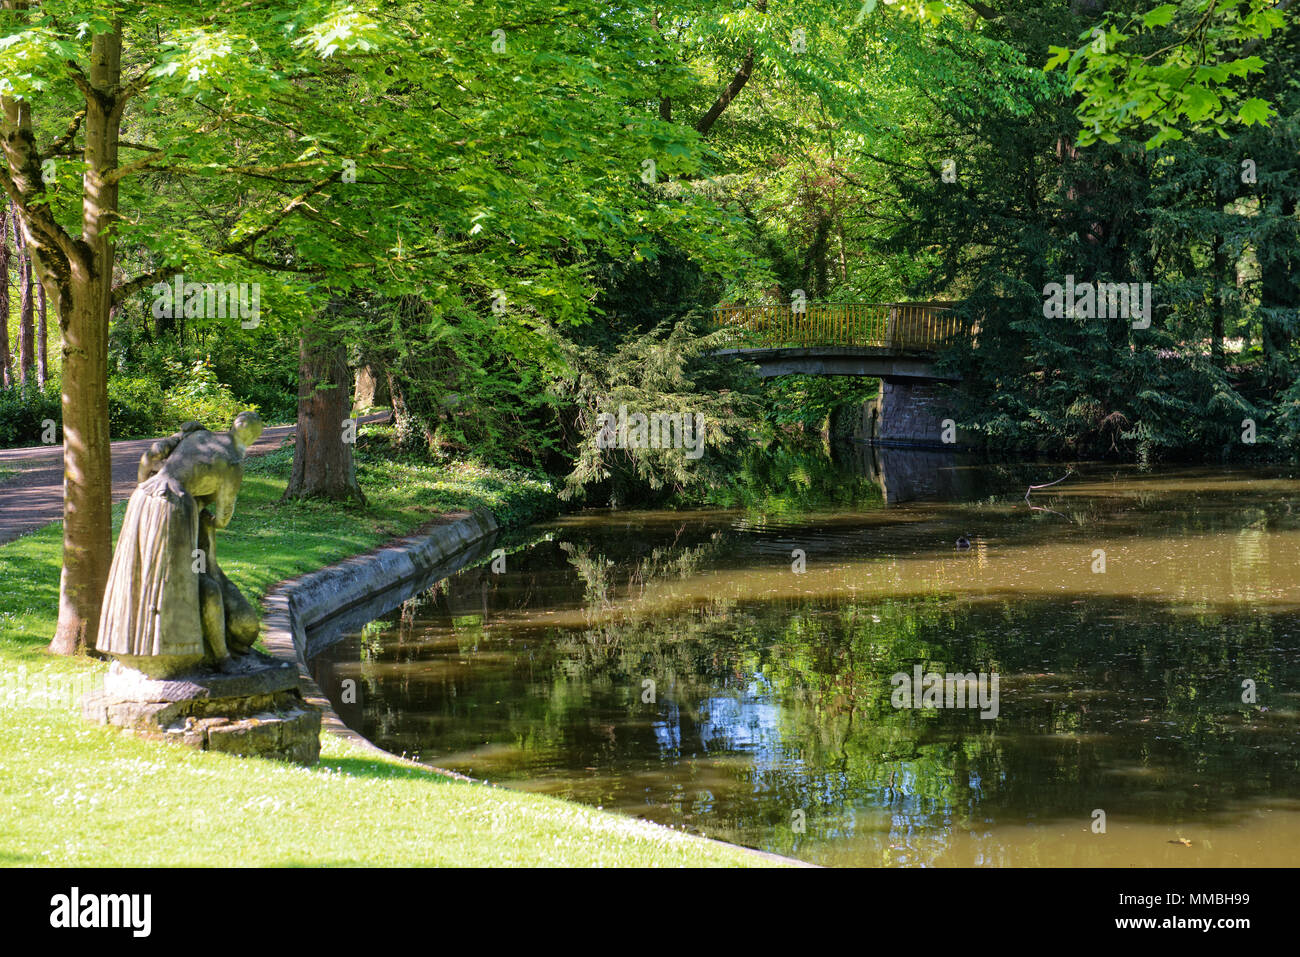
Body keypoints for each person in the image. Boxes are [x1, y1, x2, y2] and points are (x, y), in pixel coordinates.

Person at [96, 412, 265, 678]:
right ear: (252, 436)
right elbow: (223, 516)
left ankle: (130, 649)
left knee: (138, 574)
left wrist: (146, 486)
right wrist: (208, 515)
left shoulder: (200, 436)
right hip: (174, 505)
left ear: (233, 425)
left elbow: (150, 456)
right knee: (175, 580)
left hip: (143, 498)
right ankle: (182, 658)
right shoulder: (232, 462)